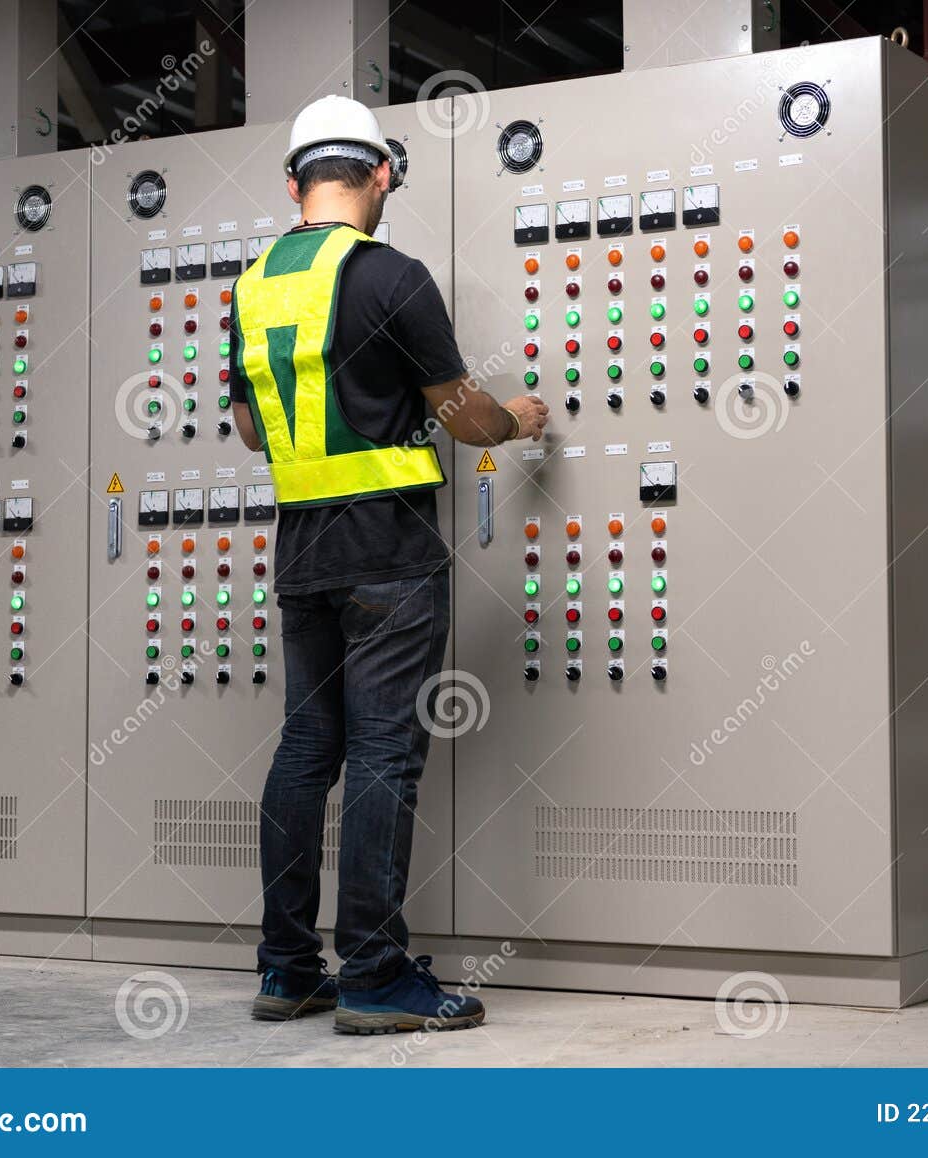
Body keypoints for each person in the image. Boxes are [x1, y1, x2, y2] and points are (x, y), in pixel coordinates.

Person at [227, 95, 548, 1033]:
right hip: (388, 553)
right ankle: (373, 975)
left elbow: (250, 429)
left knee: (303, 752)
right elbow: (458, 412)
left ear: (293, 184)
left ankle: (287, 969)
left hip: (302, 550)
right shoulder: (389, 275)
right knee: (380, 756)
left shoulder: (250, 286)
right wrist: (514, 425)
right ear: (383, 176)